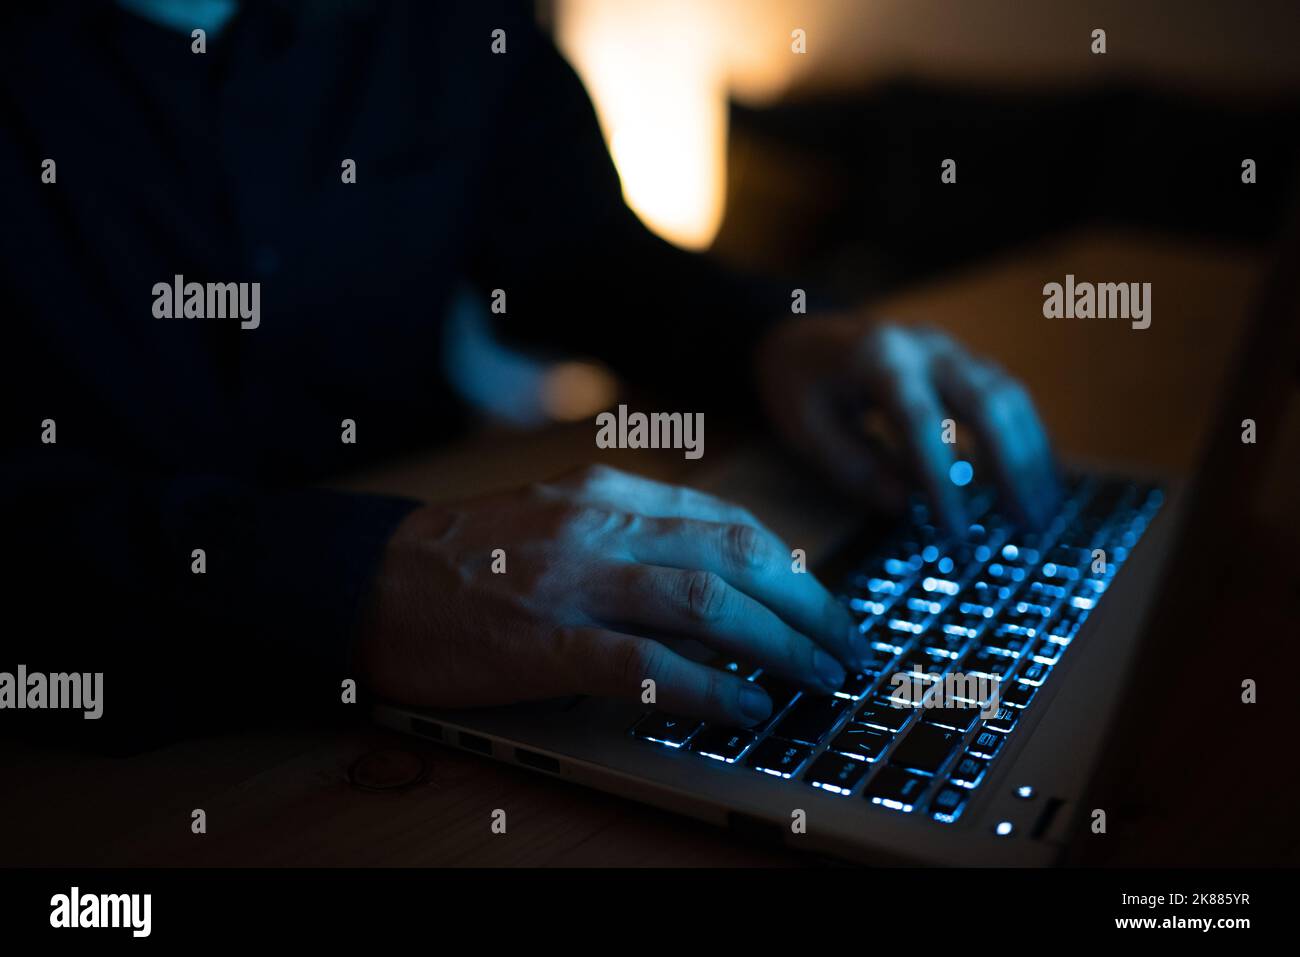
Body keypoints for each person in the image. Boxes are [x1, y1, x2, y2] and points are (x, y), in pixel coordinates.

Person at [0, 0, 1058, 744]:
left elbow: (579, 251)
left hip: (446, 708)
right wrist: (352, 579)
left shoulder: (449, 21)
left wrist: (778, 336)